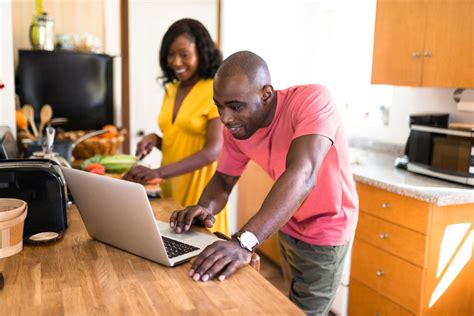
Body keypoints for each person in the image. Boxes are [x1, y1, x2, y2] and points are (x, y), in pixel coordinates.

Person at [169, 51, 359, 315]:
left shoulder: (312, 100)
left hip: (327, 226)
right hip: (286, 219)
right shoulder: (236, 130)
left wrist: (243, 242)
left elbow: (303, 174)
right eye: (219, 106)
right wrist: (204, 208)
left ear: (266, 95)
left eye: (235, 107)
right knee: (288, 303)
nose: (225, 118)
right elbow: (223, 181)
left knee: (306, 311)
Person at [123, 18, 229, 235]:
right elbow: (179, 139)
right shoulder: (172, 89)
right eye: (170, 54)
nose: (176, 62)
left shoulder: (214, 89)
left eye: (184, 54)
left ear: (201, 51)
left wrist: (157, 171)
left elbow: (213, 151)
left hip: (202, 195)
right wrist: (155, 139)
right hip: (171, 190)